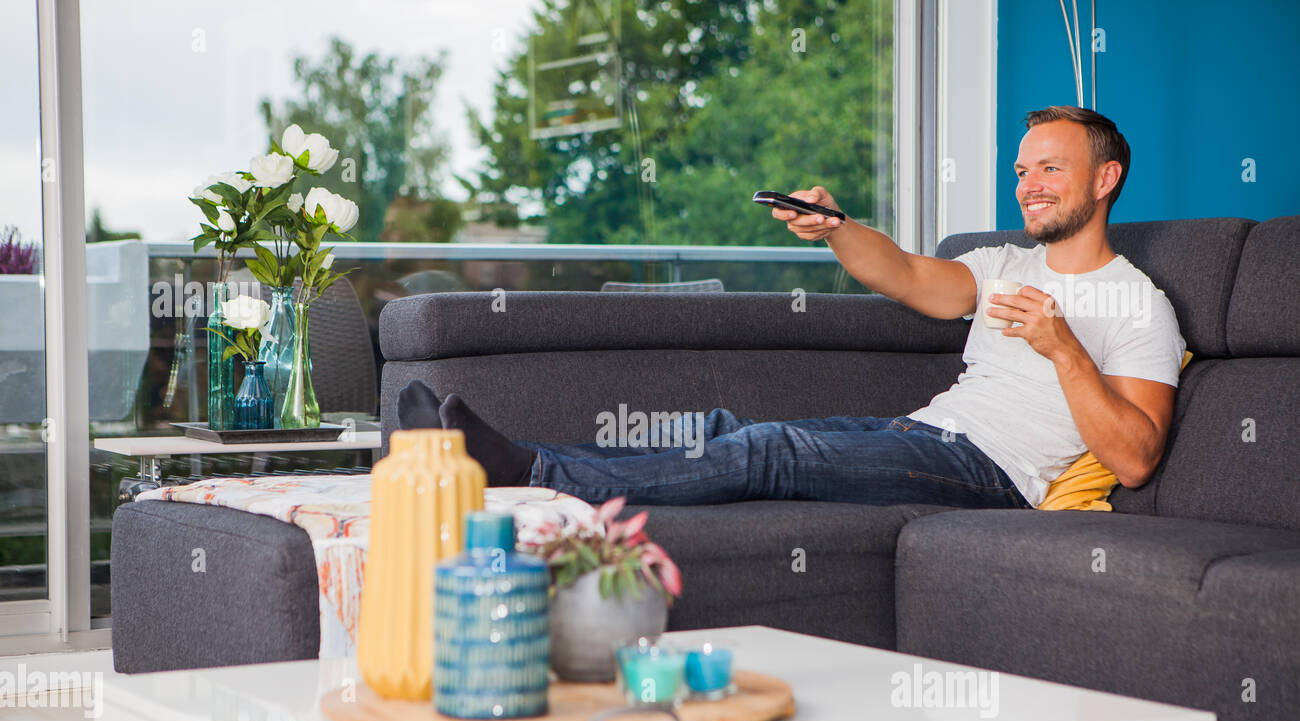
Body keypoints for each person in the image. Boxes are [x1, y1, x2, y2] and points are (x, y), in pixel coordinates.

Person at [398, 105, 1186, 510]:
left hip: (990, 474)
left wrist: (1064, 350)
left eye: (1050, 168)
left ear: (1105, 177)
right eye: (1021, 169)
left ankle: (526, 471)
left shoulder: (1137, 305)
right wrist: (837, 231)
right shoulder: (1004, 262)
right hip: (921, 433)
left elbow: (1137, 459)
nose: (1028, 185)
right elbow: (909, 276)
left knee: (772, 451)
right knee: (726, 433)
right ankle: (507, 463)